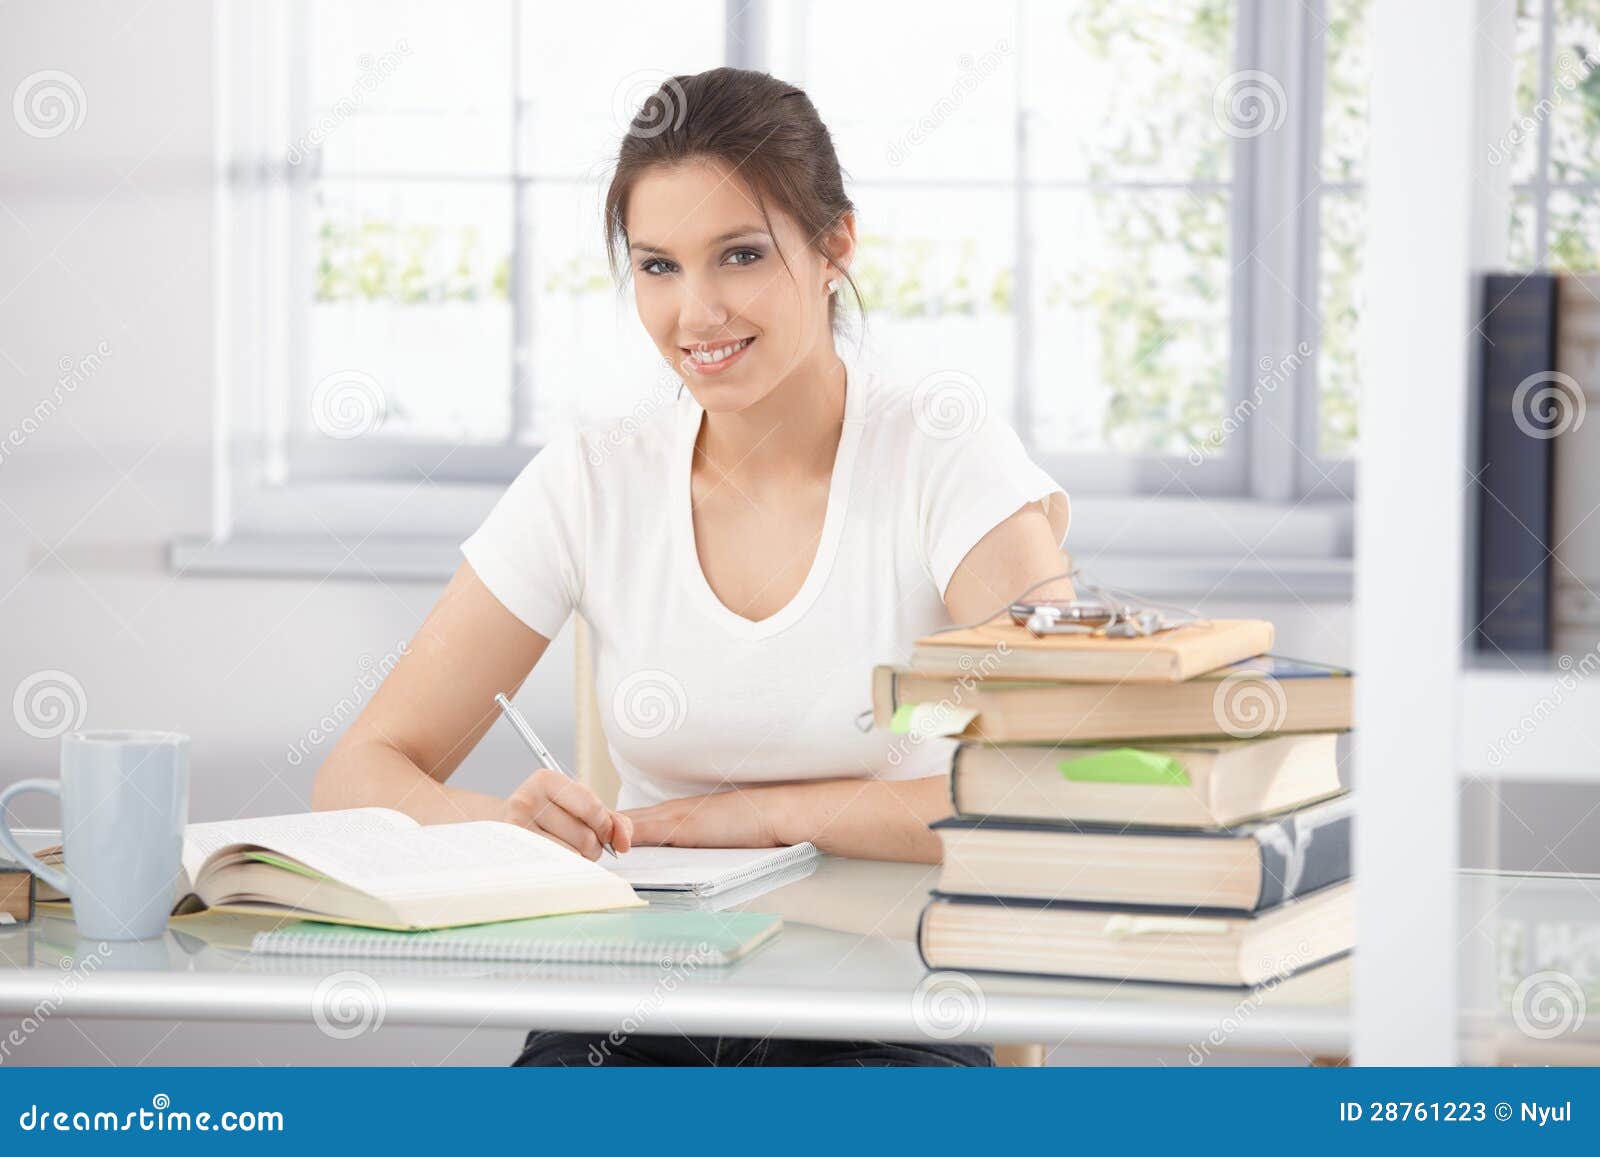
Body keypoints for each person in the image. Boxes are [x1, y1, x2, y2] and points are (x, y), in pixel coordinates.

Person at [312, 66, 1073, 1067]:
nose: (697, 312)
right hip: (632, 1004)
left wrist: (760, 816)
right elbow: (357, 776)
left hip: (887, 1008)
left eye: (741, 255)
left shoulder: (943, 452)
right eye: (659, 266)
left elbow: (1060, 781)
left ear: (835, 245)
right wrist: (506, 825)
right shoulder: (594, 478)